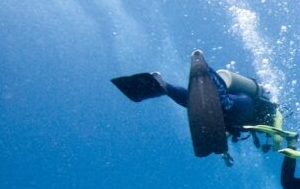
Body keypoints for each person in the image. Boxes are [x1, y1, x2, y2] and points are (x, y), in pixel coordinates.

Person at [111, 50, 289, 162]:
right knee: (225, 104)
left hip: (233, 115)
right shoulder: (275, 110)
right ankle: (207, 70)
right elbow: (278, 133)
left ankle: (162, 85)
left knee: (193, 101)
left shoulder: (248, 123)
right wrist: (278, 144)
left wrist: (225, 153)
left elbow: (218, 126)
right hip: (247, 105)